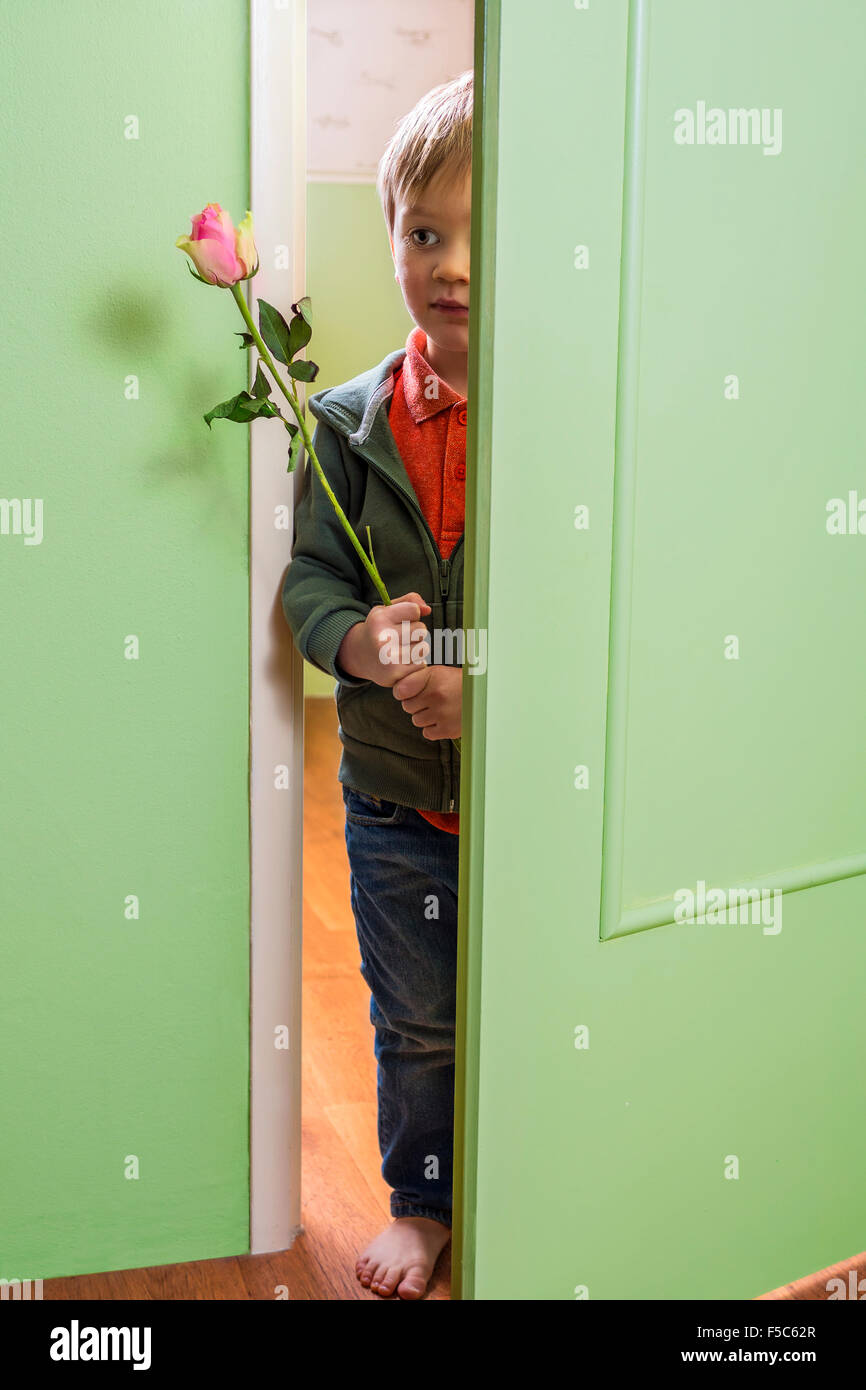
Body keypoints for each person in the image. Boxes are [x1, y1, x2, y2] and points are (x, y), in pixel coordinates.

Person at [281, 69, 473, 1299]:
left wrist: (471, 680)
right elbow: (309, 586)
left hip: (520, 803)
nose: (448, 262)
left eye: (477, 233)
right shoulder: (345, 424)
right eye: (423, 232)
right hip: (397, 803)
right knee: (415, 1019)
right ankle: (423, 1199)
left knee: (528, 1009)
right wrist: (359, 645)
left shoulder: (560, 421)